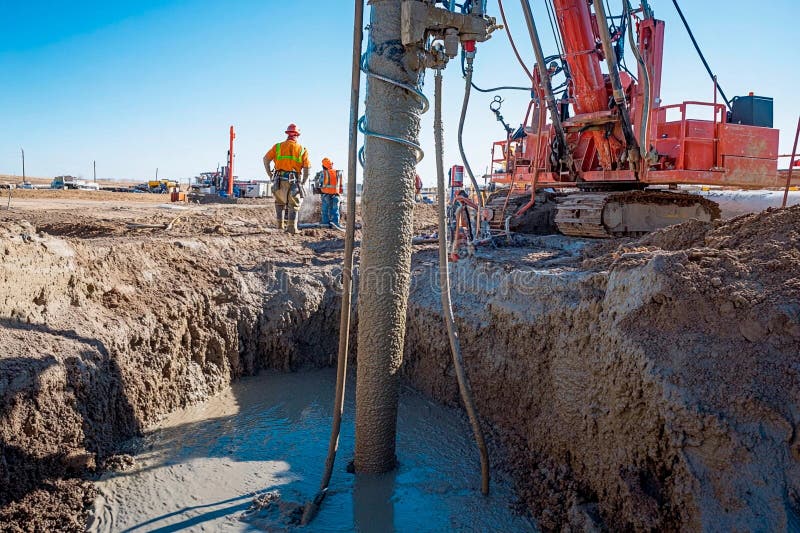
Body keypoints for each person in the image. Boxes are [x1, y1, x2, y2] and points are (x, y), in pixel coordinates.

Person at [263, 124, 310, 233]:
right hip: (294, 182)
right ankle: (292, 228)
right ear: (297, 135)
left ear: (287, 134)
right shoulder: (302, 149)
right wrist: (303, 182)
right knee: (294, 205)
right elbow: (307, 169)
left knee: (279, 203)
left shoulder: (278, 147)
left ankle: (280, 227)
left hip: (278, 180)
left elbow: (265, 159)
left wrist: (270, 174)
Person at [318, 158, 343, 230]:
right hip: (336, 195)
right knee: (335, 210)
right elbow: (341, 185)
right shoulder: (338, 172)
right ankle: (335, 224)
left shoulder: (324, 173)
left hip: (326, 195)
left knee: (325, 210)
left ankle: (325, 224)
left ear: (324, 166)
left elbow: (320, 183)